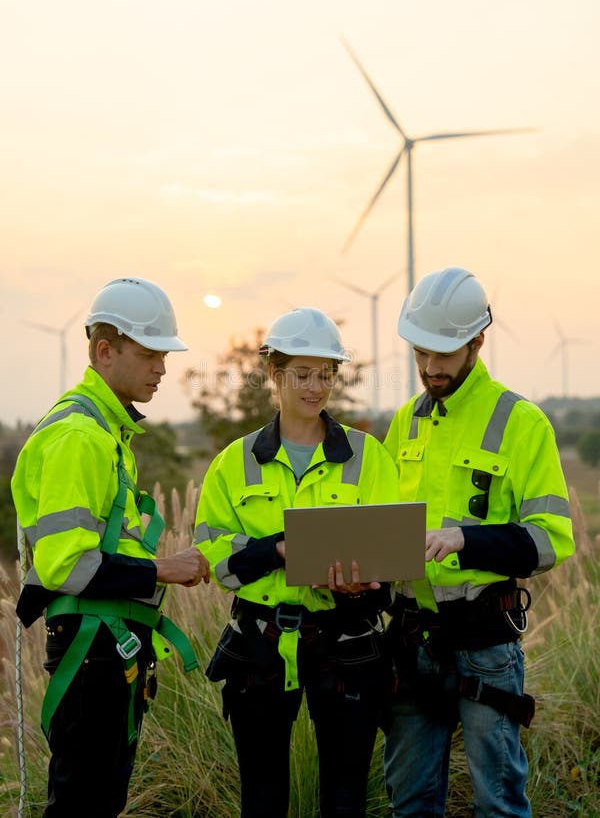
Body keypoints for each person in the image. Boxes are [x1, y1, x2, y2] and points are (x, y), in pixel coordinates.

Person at [12, 277, 210, 818]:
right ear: (105, 351)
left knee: (99, 800)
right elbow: (68, 564)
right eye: (149, 354)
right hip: (90, 651)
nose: (162, 369)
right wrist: (162, 569)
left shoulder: (107, 433)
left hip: (109, 649)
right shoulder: (80, 437)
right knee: (82, 803)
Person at [382, 266, 575, 818]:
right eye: (420, 352)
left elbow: (549, 541)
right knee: (411, 804)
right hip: (411, 638)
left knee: (498, 804)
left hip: (486, 642)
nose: (429, 367)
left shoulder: (523, 423)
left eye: (443, 353)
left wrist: (465, 540)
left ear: (477, 341)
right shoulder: (403, 424)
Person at [194, 306, 398, 818]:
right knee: (262, 799)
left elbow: (390, 551)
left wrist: (367, 587)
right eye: (302, 375)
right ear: (274, 374)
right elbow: (216, 559)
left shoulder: (368, 456)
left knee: (346, 797)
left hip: (347, 644)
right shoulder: (232, 463)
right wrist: (281, 550)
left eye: (326, 375)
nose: (315, 387)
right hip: (260, 648)